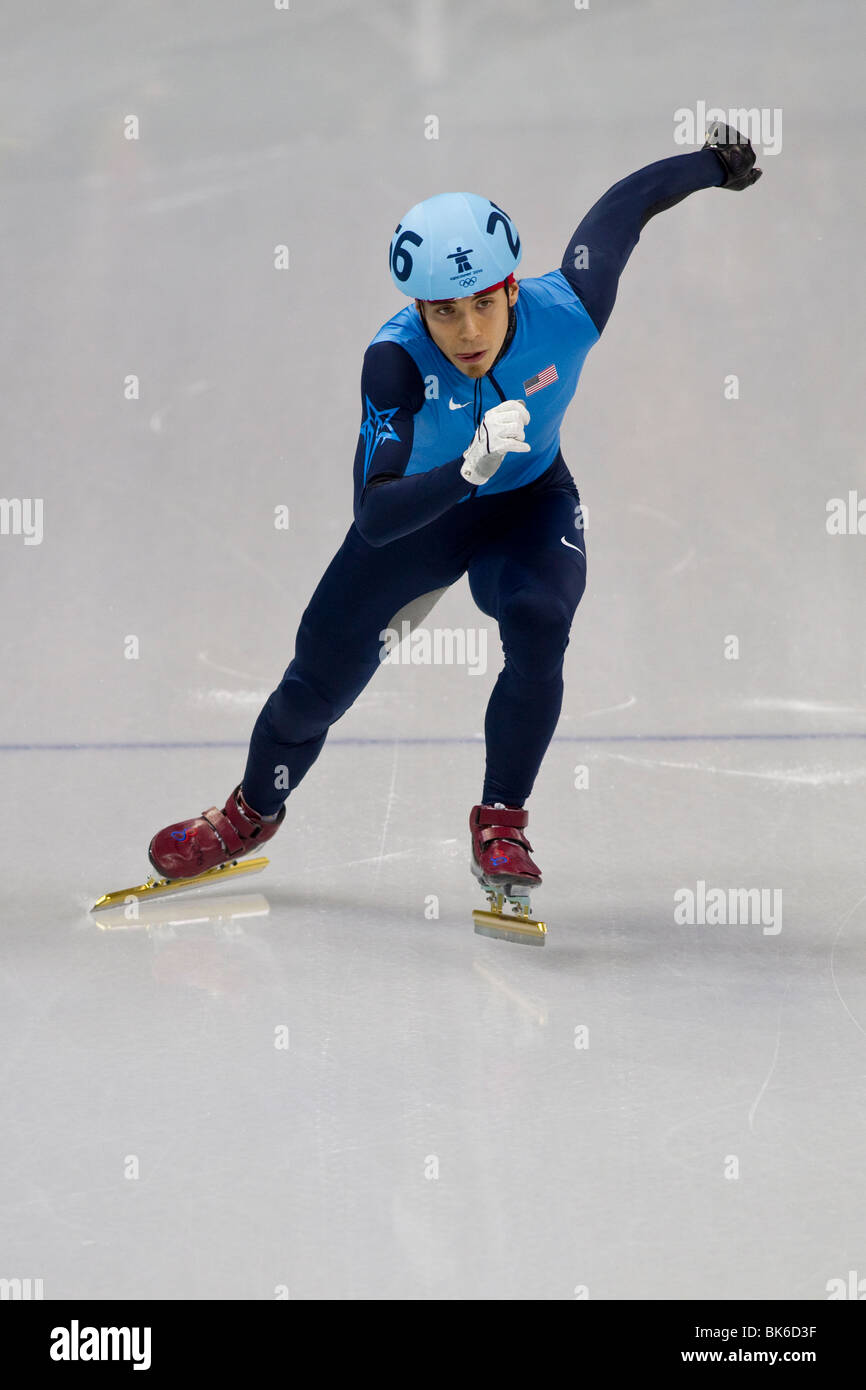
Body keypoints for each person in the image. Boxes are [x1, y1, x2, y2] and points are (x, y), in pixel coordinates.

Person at [148, 123, 761, 902]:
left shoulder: (570, 306)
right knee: (312, 690)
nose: (467, 331)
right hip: (420, 518)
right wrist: (468, 469)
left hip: (531, 506)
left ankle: (501, 820)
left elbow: (624, 208)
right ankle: (250, 813)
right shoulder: (396, 361)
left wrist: (712, 164)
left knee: (540, 617)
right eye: (443, 312)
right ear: (417, 308)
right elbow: (374, 515)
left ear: (511, 286)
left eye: (482, 303)